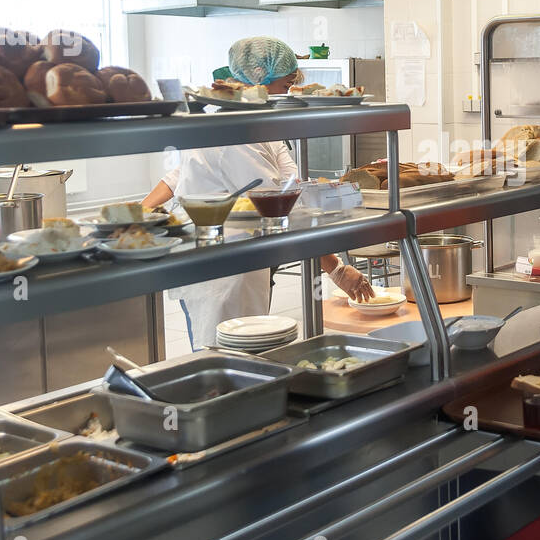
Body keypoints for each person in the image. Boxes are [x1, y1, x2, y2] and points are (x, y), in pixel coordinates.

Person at [142, 37, 372, 349]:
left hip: (232, 254)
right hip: (225, 268)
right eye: (286, 84)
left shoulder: (252, 120)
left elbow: (283, 187)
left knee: (232, 354)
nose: (288, 93)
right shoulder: (240, 132)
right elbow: (276, 207)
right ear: (259, 77)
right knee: (227, 359)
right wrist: (336, 269)